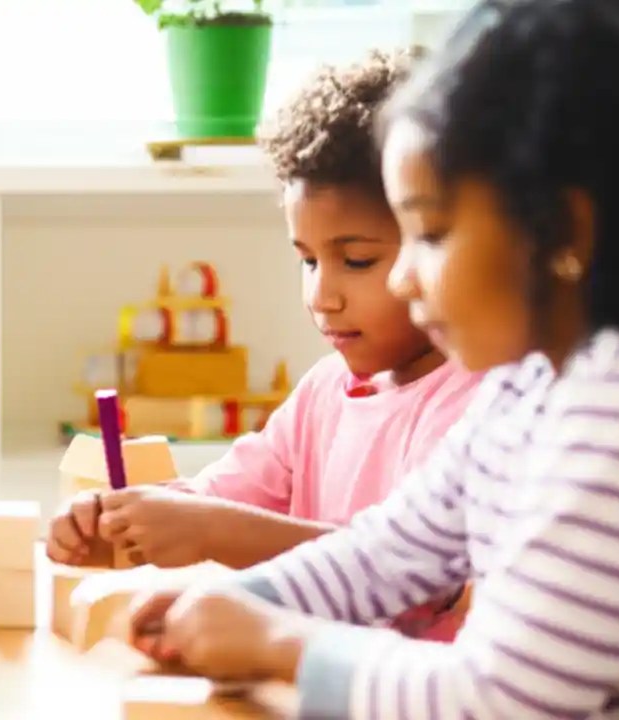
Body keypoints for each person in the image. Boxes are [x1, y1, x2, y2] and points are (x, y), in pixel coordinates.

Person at [128, 1, 619, 716]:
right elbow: (394, 548)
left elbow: (500, 697)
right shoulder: (528, 385)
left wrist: (284, 642)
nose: (406, 279)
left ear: (562, 228)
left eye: (432, 234)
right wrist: (241, 597)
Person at [47, 50, 478, 639]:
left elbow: (412, 583)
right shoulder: (324, 390)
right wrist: (129, 525)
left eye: (356, 260)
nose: (322, 295)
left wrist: (208, 529)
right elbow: (221, 496)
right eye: (306, 259)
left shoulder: (472, 404)